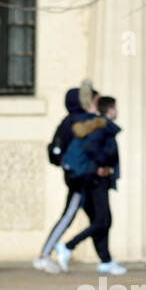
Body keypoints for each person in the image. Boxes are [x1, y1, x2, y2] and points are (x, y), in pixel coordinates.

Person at [56, 95, 124, 275]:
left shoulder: (100, 125)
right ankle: (68, 246)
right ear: (110, 109)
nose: (117, 111)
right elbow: (91, 147)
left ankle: (106, 260)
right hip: (95, 179)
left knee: (102, 221)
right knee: (103, 220)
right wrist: (102, 164)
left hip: (96, 178)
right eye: (115, 107)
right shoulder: (102, 127)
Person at [35, 79, 98, 273]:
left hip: (82, 175)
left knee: (100, 219)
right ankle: (44, 255)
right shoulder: (77, 121)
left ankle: (106, 259)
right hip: (79, 178)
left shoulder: (68, 121)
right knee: (68, 215)